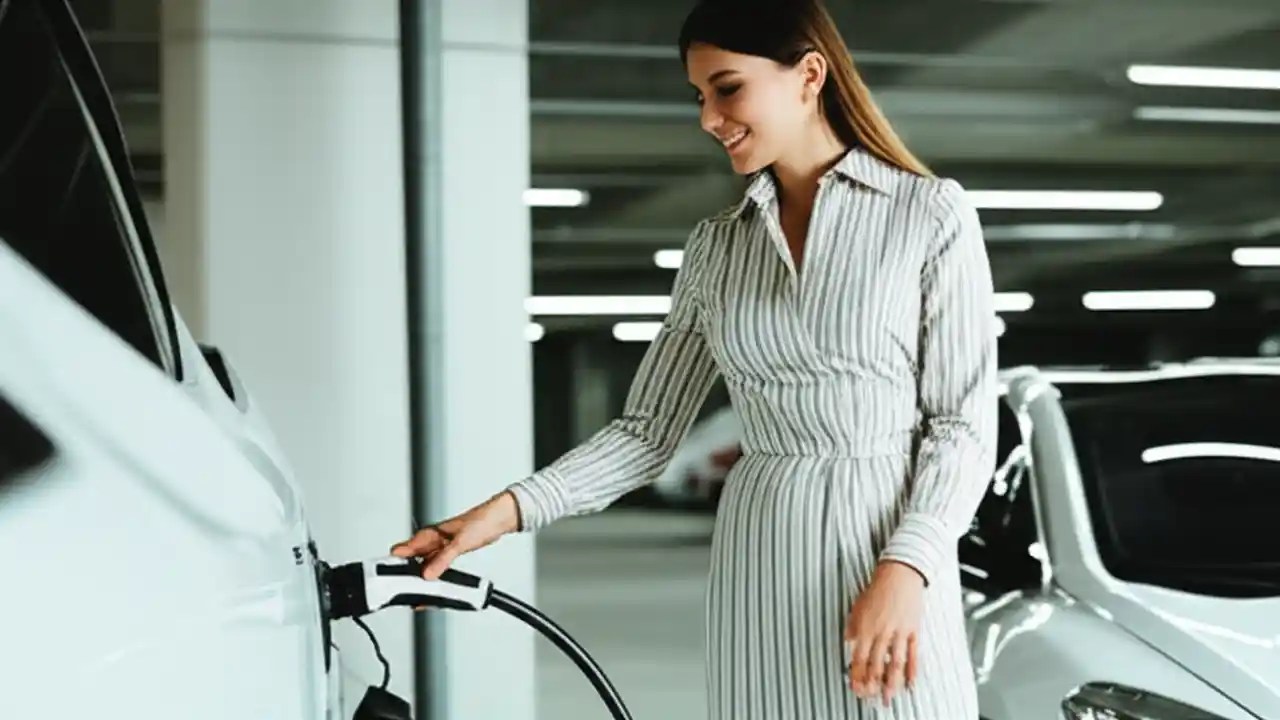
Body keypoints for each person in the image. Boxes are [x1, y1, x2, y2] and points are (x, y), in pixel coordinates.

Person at [392, 0, 998, 717]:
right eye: (701, 96)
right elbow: (646, 433)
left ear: (809, 74)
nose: (709, 117)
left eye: (727, 86)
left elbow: (961, 425)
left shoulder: (928, 214)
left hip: (891, 550)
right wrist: (495, 517)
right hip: (759, 557)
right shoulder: (717, 246)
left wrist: (909, 567)